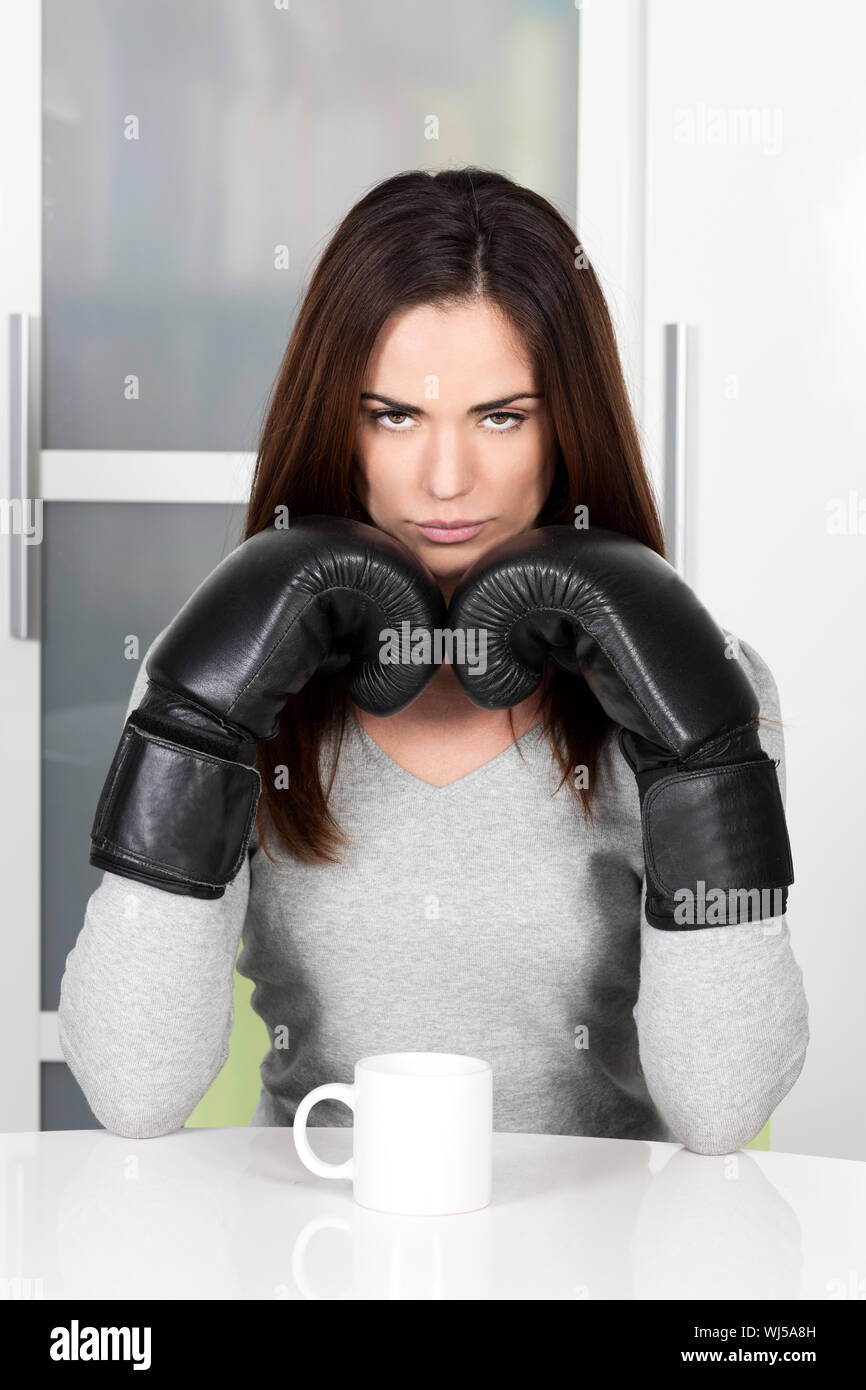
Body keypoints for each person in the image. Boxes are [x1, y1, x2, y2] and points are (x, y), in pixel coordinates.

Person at [58, 167, 809, 1150]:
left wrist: (703, 758)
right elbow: (132, 1089)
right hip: (308, 1250)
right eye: (393, 414)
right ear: (336, 422)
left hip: (593, 1264)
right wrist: (196, 719)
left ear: (565, 427)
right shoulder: (216, 671)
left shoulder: (707, 680)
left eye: (501, 415)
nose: (446, 479)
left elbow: (722, 1108)